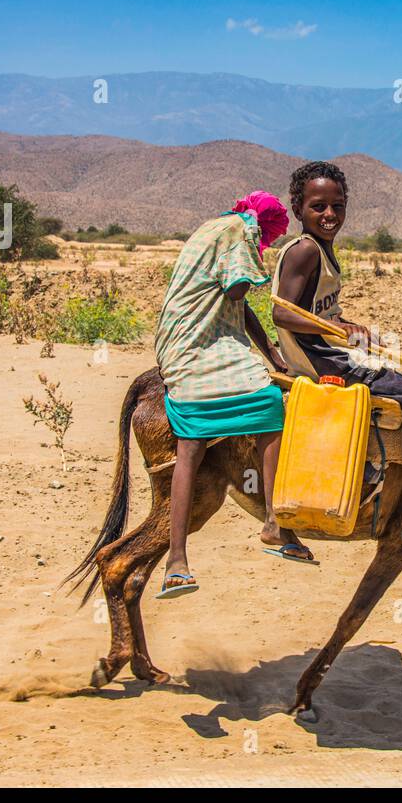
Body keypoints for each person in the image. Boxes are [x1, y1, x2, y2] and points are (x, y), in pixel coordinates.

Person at [272, 161, 402, 554]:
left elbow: (317, 313)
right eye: (318, 207)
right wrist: (339, 333)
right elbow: (282, 312)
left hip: (329, 350)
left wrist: (349, 325)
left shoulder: (322, 251)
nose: (329, 215)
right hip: (322, 361)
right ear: (298, 209)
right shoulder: (305, 252)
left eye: (338, 206)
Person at [153, 191, 312, 598]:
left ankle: (178, 561)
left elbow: (237, 310)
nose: (265, 244)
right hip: (201, 346)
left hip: (188, 345)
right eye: (268, 237)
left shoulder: (211, 229)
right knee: (268, 403)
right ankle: (274, 521)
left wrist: (271, 352)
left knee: (192, 447)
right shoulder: (235, 230)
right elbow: (239, 291)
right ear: (263, 223)